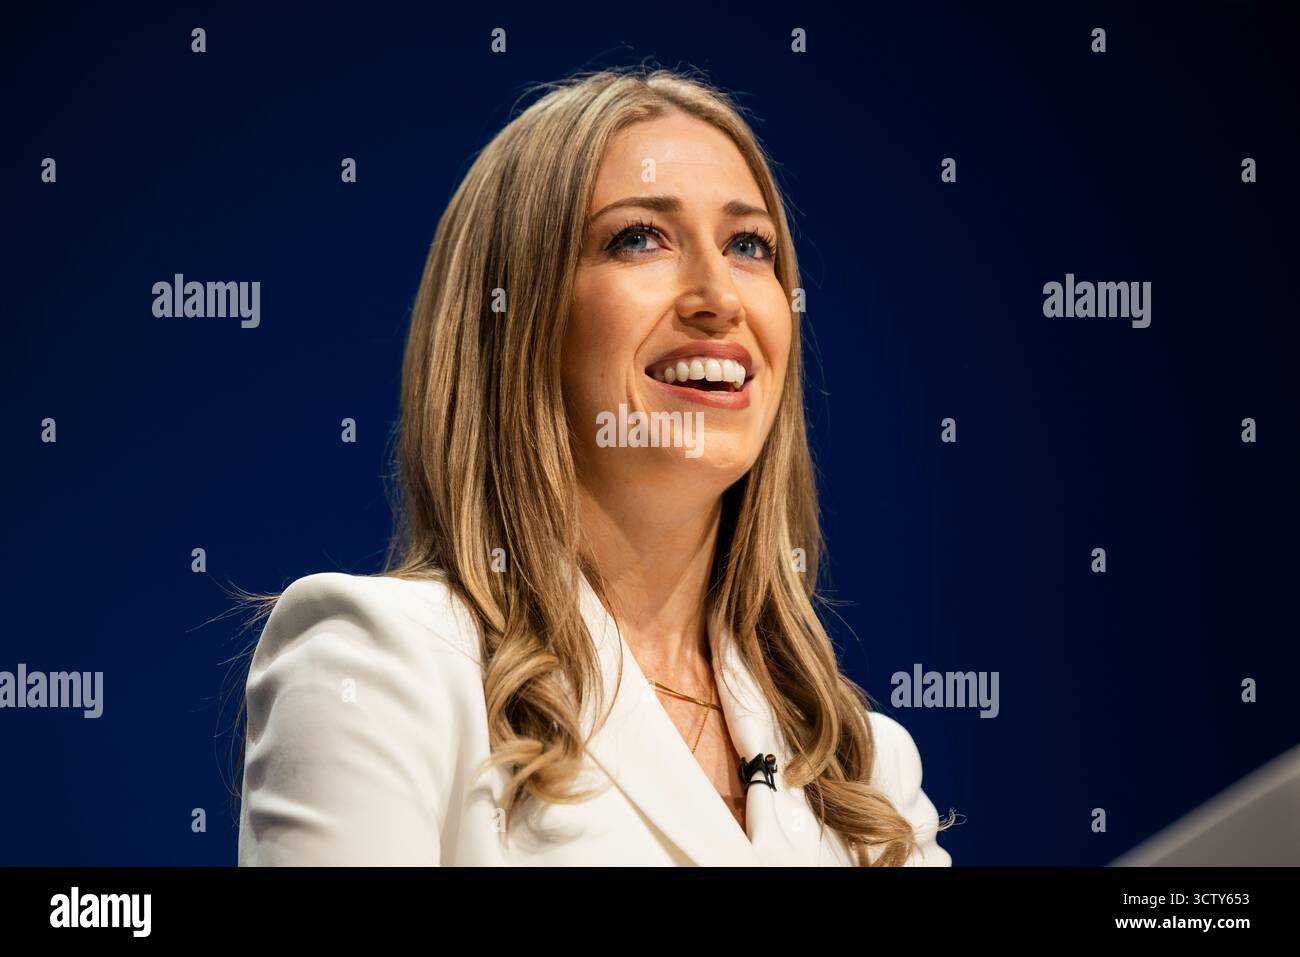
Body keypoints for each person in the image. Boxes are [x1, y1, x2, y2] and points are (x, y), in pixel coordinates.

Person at [235, 66, 954, 866]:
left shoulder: (866, 774)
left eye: (749, 245)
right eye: (639, 237)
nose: (719, 295)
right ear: (515, 320)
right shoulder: (379, 668)